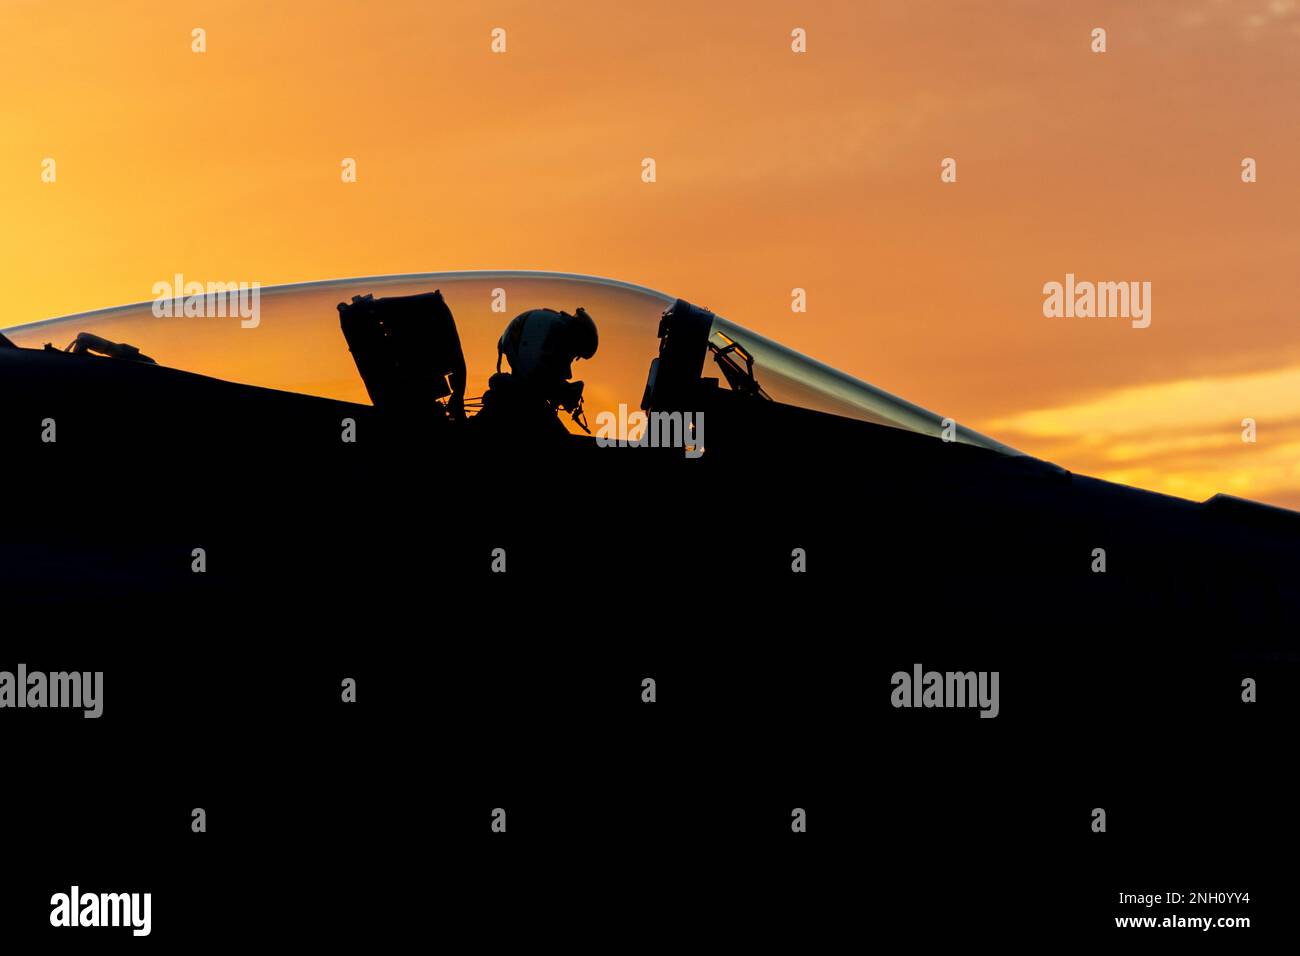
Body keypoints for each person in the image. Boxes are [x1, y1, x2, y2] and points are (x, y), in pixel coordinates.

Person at [476, 307, 598, 438]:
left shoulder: (501, 408)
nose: (568, 375)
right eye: (561, 360)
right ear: (533, 355)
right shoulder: (535, 420)